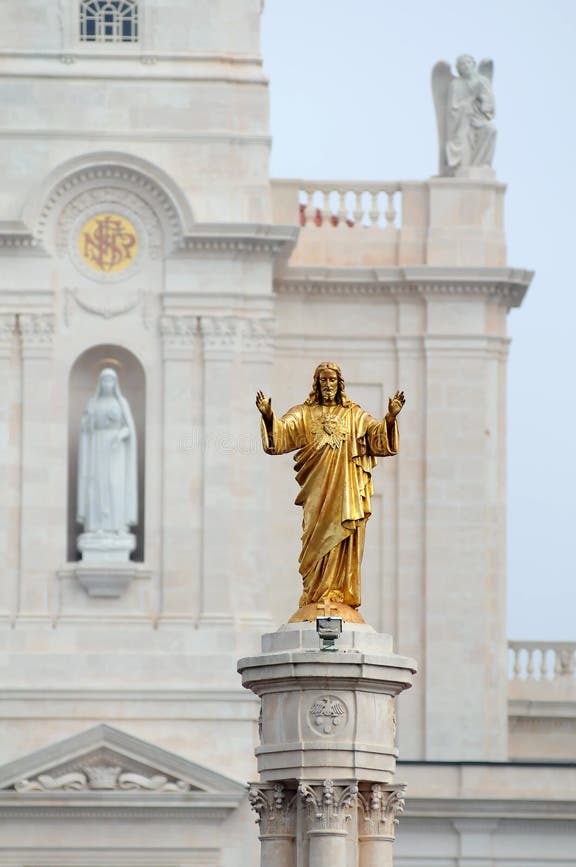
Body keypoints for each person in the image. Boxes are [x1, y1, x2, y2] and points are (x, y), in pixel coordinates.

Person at [256, 362, 404, 611]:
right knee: (314, 539)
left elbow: (376, 438)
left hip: (345, 492)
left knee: (342, 536)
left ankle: (338, 594)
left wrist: (390, 417)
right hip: (316, 491)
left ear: (339, 384)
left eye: (332, 381)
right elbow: (280, 437)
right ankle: (314, 593)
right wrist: (268, 415)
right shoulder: (304, 413)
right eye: (323, 381)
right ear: (317, 384)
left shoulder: (354, 415)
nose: (328, 385)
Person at [77, 367, 137, 536]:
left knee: (115, 484)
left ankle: (118, 525)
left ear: (115, 383)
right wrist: (89, 421)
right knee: (98, 485)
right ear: (100, 383)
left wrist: (120, 435)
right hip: (97, 446)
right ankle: (97, 526)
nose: (107, 384)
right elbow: (85, 427)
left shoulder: (121, 402)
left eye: (110, 380)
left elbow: (129, 428)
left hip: (116, 450)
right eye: (104, 380)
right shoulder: (93, 403)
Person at [445, 54, 496, 172]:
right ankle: (467, 166)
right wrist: (471, 98)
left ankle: (481, 164)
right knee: (462, 136)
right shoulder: (455, 85)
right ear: (458, 69)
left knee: (490, 129)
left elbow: (490, 106)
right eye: (462, 65)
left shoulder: (483, 81)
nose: (465, 66)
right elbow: (453, 109)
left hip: (479, 118)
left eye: (468, 63)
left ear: (473, 64)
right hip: (463, 120)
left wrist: (482, 100)